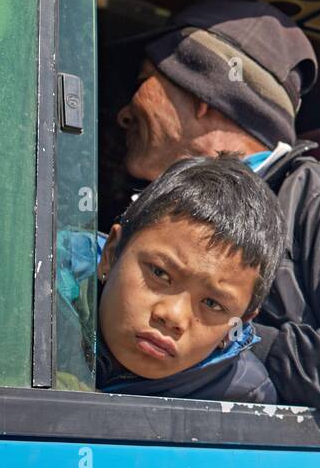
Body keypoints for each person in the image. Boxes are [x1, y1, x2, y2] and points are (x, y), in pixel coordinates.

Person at [112, 0, 320, 436]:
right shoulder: (146, 203)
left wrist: (229, 334)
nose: (123, 112)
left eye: (144, 80)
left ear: (203, 93)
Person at [65, 155, 286, 403]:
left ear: (238, 323)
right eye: (160, 273)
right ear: (111, 254)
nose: (173, 316)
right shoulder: (32, 308)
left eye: (212, 304)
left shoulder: (240, 399)